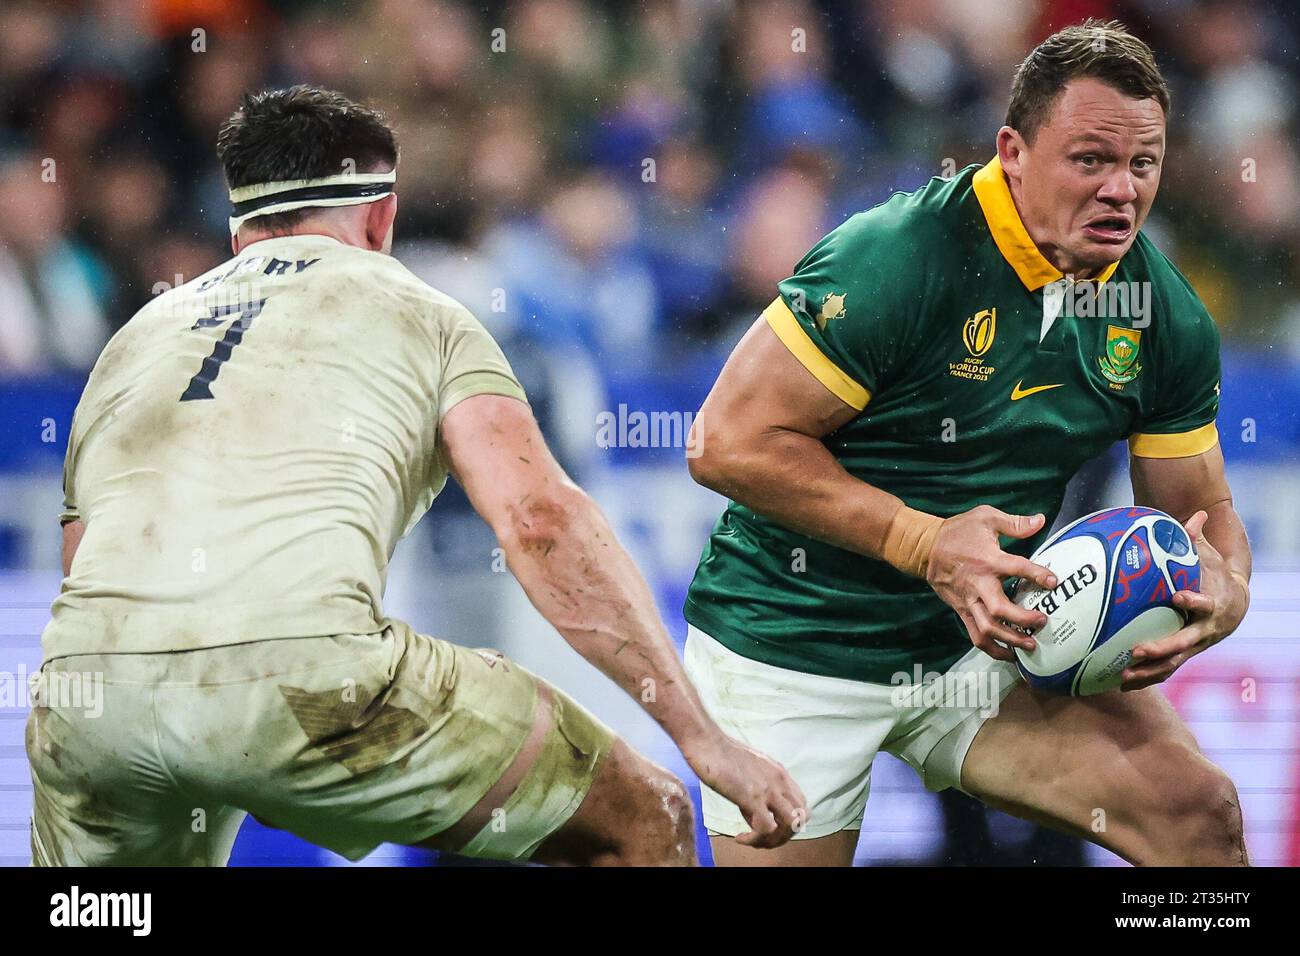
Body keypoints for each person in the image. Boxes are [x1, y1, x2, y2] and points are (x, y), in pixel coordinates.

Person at [26, 86, 805, 867]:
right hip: (305, 679)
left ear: (240, 232)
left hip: (88, 698)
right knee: (644, 816)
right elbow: (540, 522)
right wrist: (701, 739)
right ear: (380, 218)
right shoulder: (422, 310)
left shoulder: (131, 344)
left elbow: (83, 561)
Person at [683, 21, 1252, 867]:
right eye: (1089, 160)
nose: (1120, 192)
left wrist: (1227, 595)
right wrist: (925, 543)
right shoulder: (898, 256)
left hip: (984, 645)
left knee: (1199, 816)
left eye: (1143, 164)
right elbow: (723, 442)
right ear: (1013, 152)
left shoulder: (1161, 312)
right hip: (793, 641)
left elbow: (1201, 513)